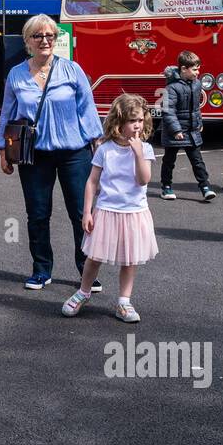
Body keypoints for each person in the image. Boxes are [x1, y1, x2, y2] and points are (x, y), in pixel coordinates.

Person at [0, 14, 104, 292]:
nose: (45, 40)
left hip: (74, 153)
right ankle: (41, 270)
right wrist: (4, 152)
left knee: (82, 213)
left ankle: (86, 271)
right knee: (38, 214)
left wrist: (97, 144)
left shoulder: (72, 70)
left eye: (50, 36)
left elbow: (87, 109)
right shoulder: (16, 74)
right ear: (28, 41)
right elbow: (8, 113)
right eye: (38, 36)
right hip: (35, 155)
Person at [64, 93, 158, 323]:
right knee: (94, 257)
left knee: (130, 260)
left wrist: (137, 153)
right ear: (119, 122)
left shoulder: (144, 149)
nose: (137, 125)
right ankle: (83, 292)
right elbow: (92, 181)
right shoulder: (105, 149)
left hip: (134, 212)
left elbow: (143, 179)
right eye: (132, 120)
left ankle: (124, 302)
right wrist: (87, 211)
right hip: (107, 210)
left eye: (140, 119)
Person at [159, 51, 216, 202]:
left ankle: (205, 187)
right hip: (174, 132)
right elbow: (168, 110)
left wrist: (199, 122)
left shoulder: (196, 84)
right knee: (169, 161)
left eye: (198, 69)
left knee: (197, 160)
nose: (198, 72)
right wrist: (176, 130)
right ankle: (166, 187)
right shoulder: (171, 88)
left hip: (191, 130)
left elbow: (196, 108)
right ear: (184, 69)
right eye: (195, 69)